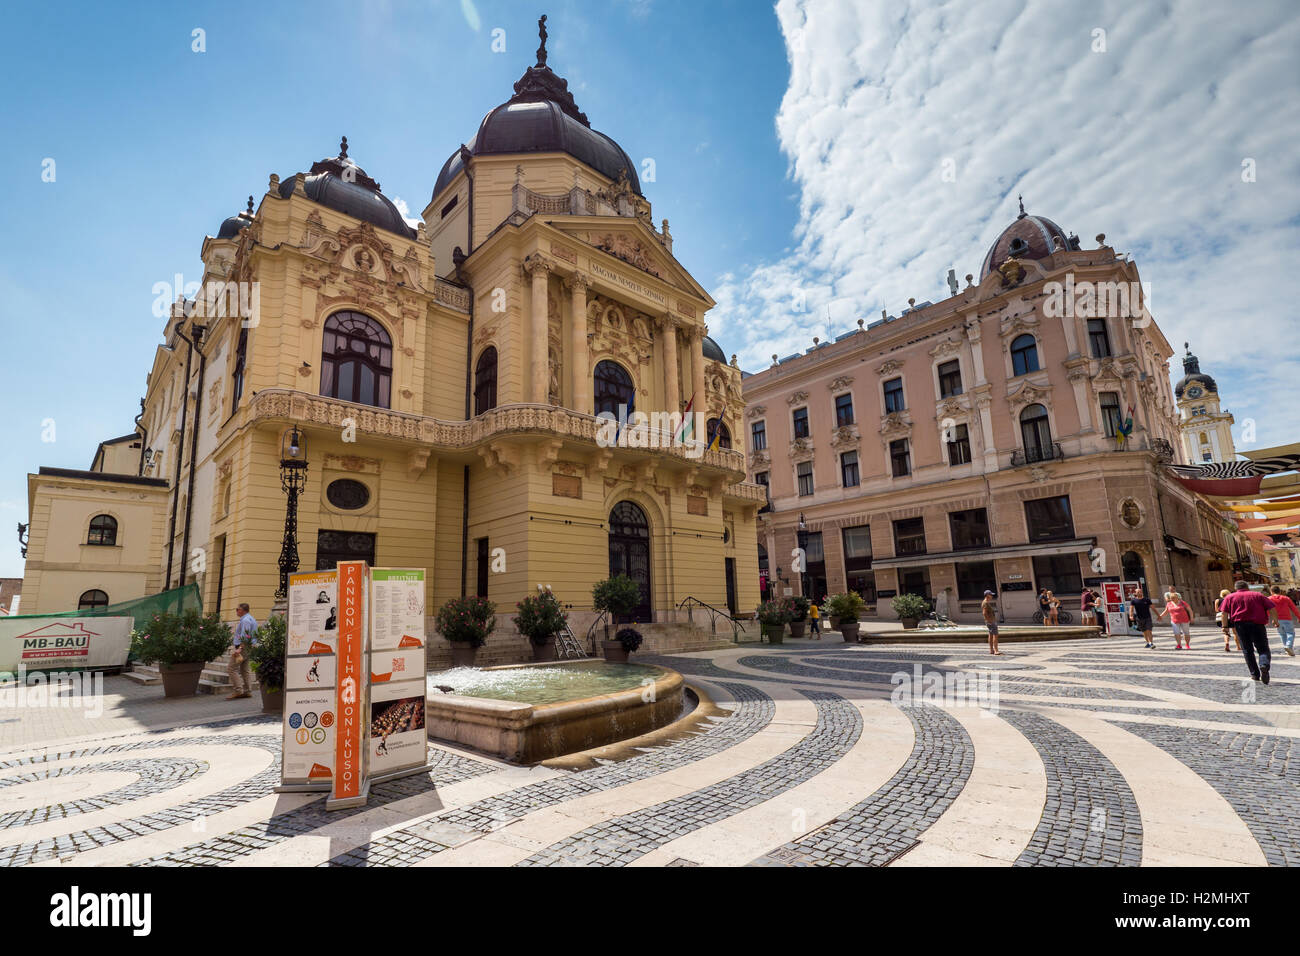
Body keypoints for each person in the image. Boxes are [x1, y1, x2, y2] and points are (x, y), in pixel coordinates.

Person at [1219, 581, 1278, 683]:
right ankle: (1264, 664)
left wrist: (1224, 627)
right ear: (1247, 587)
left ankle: (1255, 674)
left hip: (1240, 626)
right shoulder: (1258, 595)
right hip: (1257, 625)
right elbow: (1271, 607)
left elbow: (1224, 613)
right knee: (1263, 648)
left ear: (1236, 588)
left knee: (1247, 650)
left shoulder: (1230, 597)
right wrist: (1275, 620)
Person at [227, 602, 258, 700]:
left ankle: (238, 690)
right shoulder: (250, 618)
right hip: (248, 647)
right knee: (245, 670)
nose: (236, 611)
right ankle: (248, 691)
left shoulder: (245, 620)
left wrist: (239, 649)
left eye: (237, 609)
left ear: (243, 610)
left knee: (231, 668)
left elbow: (246, 635)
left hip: (243, 647)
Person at [1268, 585, 1299, 657]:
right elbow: (1294, 608)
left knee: (1282, 634)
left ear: (1271, 592)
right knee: (1290, 633)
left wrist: (1266, 620)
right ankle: (1288, 646)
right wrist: (1299, 617)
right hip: (1287, 619)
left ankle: (1287, 649)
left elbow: (1266, 610)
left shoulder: (1269, 599)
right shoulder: (1286, 598)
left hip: (1276, 620)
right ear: (1280, 591)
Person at [981, 589, 1001, 655]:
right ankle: (996, 650)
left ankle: (991, 650)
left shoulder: (985, 602)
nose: (992, 596)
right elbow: (984, 613)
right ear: (987, 595)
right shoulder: (985, 603)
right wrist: (989, 621)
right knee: (995, 635)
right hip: (991, 621)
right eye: (991, 595)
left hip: (990, 621)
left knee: (991, 635)